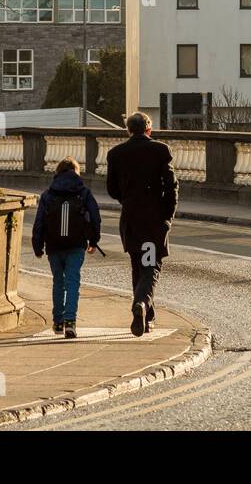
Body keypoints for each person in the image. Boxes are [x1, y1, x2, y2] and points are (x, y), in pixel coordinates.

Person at [106, 112, 178, 337]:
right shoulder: (160, 150)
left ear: (128, 130)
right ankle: (142, 305)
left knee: (138, 265)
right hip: (153, 219)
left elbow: (112, 189)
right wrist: (167, 215)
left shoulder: (116, 154)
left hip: (131, 217)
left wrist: (127, 200)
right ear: (148, 129)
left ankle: (147, 316)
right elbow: (171, 186)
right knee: (151, 266)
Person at [31, 157, 102, 339]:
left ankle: (57, 321)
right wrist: (93, 241)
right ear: (76, 172)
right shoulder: (84, 192)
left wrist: (37, 246)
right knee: (72, 282)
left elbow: (39, 223)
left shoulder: (48, 194)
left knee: (58, 282)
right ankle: (70, 321)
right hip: (76, 244)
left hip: (54, 245)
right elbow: (95, 217)